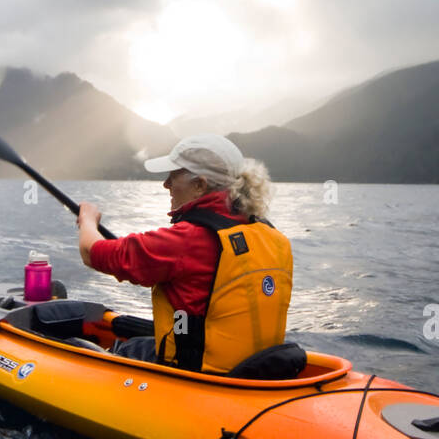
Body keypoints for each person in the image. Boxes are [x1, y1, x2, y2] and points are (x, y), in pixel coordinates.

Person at [77, 134, 293, 373]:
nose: (166, 184)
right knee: (141, 344)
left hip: (198, 378)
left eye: (174, 176)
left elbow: (91, 252)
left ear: (199, 185)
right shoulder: (273, 237)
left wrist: (88, 221)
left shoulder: (186, 241)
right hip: (256, 372)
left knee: (90, 348)